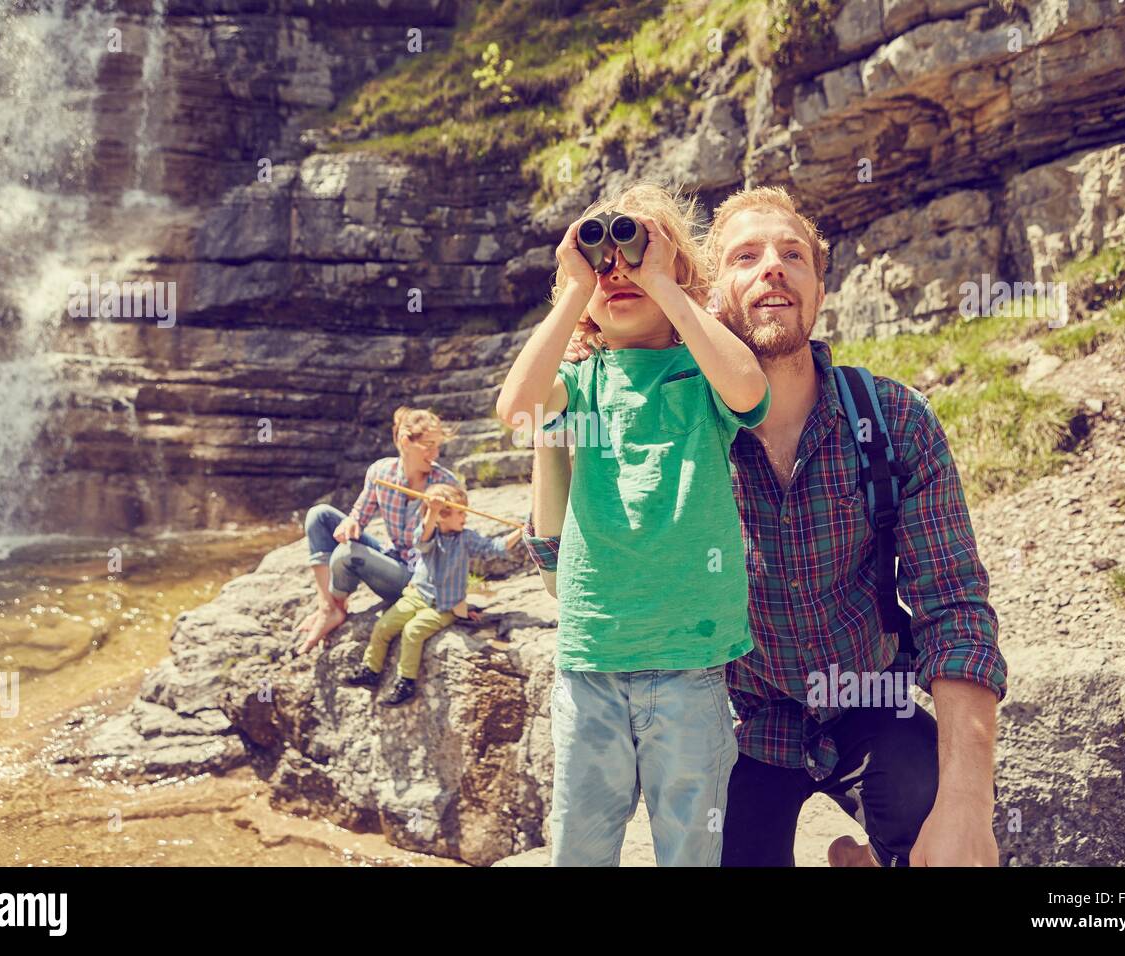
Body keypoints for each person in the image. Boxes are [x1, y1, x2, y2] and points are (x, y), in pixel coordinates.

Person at [523, 185, 1008, 867]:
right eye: (745, 256)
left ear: (819, 287)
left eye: (793, 255)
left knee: (945, 822)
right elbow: (556, 570)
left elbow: (954, 613)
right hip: (743, 726)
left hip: (871, 706)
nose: (773, 267)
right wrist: (554, 429)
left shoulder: (893, 422)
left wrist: (967, 804)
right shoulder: (671, 423)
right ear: (706, 298)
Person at [496, 181, 771, 867]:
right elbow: (516, 409)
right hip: (592, 661)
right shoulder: (583, 385)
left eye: (638, 251)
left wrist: (665, 281)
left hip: (692, 663)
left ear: (678, 270)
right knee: (582, 849)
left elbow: (749, 388)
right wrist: (572, 288)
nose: (618, 271)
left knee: (690, 850)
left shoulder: (701, 374)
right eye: (604, 259)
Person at [296, 407, 463, 656]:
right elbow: (358, 515)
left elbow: (455, 545)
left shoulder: (445, 484)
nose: (435, 453)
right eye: (428, 445)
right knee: (319, 515)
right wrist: (351, 523)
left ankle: (334, 609)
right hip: (392, 558)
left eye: (437, 446)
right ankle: (328, 608)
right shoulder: (380, 472)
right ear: (405, 442)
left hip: (416, 579)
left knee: (347, 554)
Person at [345, 484, 523, 705]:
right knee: (383, 626)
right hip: (417, 595)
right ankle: (371, 670)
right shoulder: (430, 534)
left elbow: (494, 547)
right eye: (460, 512)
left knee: (413, 631)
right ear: (441, 516)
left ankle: (406, 683)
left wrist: (521, 531)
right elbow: (421, 542)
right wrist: (432, 511)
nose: (464, 516)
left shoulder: (465, 538)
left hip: (446, 606)